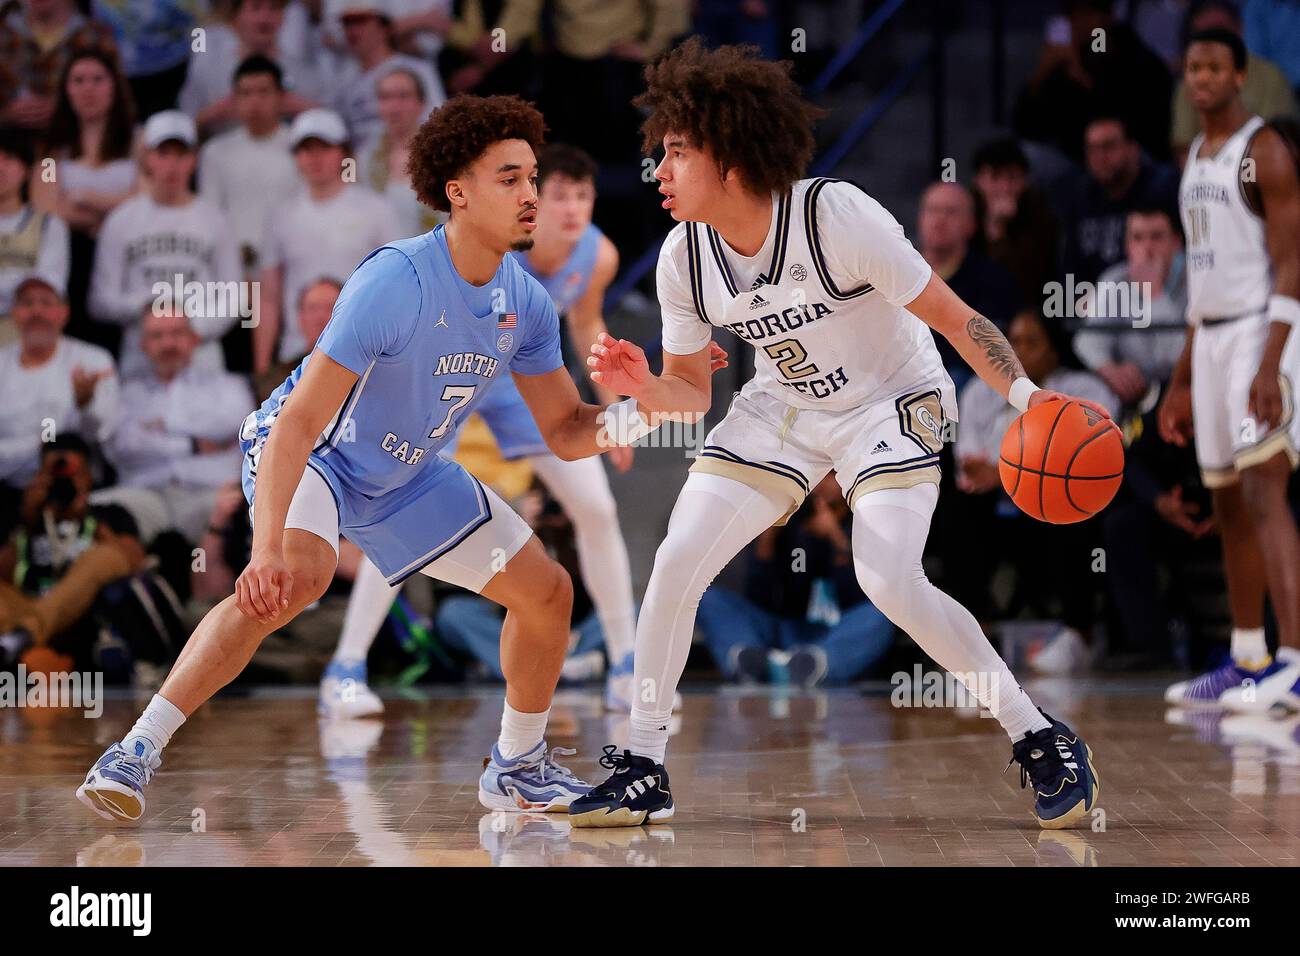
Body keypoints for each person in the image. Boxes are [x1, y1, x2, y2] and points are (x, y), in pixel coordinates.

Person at [74, 94, 660, 824]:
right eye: (510, 178)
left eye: (533, 176)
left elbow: (568, 429)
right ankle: (134, 750)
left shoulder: (528, 304)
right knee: (295, 579)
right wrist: (262, 552)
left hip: (405, 475)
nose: (532, 194)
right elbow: (298, 422)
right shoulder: (396, 279)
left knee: (546, 592)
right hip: (313, 450)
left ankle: (517, 765)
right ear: (459, 191)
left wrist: (643, 408)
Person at [571, 40, 1107, 830]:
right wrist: (643, 388)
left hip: (891, 399)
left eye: (678, 153)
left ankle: (1037, 733)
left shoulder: (837, 216)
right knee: (676, 558)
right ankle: (644, 764)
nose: (660, 171)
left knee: (887, 576)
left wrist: (1027, 396)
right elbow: (689, 393)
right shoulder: (685, 256)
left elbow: (956, 319)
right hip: (784, 407)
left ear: (732, 156)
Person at [318, 143, 716, 717]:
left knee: (597, 509)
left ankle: (627, 666)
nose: (571, 208)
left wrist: (616, 413)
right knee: (398, 520)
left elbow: (587, 327)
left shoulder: (596, 255)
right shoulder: (499, 241)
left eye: (583, 196)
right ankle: (346, 666)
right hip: (450, 373)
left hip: (522, 386)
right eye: (558, 194)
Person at [1160, 27, 1300, 710]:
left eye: (1215, 67)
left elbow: (1294, 262)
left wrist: (1271, 361)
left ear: (1240, 75)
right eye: (1193, 68)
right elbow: (1202, 281)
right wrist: (1183, 378)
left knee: (1265, 491)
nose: (1203, 78)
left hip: (1259, 332)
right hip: (1210, 336)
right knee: (1226, 501)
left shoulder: (1263, 149)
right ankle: (1249, 657)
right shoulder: (1194, 154)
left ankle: (1296, 664)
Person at [696, 474, 895, 687]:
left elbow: (859, 597)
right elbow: (761, 598)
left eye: (831, 477)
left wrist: (837, 541)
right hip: (785, 628)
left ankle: (817, 664)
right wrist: (767, 539)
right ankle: (749, 662)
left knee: (882, 613)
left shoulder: (865, 521)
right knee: (709, 599)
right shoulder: (790, 521)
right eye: (819, 476)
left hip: (837, 631)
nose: (822, 485)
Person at [89, 110, 241, 379]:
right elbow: (100, 300)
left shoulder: (216, 220)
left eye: (180, 154)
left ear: (193, 159)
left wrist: (193, 331)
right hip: (140, 350)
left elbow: (234, 296)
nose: (172, 165)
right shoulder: (121, 220)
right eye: (163, 154)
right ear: (148, 158)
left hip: (201, 351)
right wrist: (144, 309)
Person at [255, 107, 398, 374]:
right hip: (297, 352)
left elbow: (393, 286)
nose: (315, 158)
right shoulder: (279, 216)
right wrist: (263, 368)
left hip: (362, 348)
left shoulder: (376, 209)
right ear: (296, 157)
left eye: (325, 147)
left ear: (344, 152)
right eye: (306, 149)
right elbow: (268, 297)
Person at [101, 306, 254, 544]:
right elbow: (122, 446)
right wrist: (191, 444)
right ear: (143, 345)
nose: (168, 344)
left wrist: (160, 426)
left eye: (177, 333)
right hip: (147, 496)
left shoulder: (227, 386)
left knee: (247, 515)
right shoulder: (127, 394)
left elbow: (237, 423)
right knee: (96, 514)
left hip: (211, 495)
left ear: (195, 339)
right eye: (157, 336)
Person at [28, 46, 138, 351]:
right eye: (78, 80)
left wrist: (83, 197)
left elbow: (147, 198)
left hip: (126, 258)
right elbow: (47, 210)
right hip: (73, 261)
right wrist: (112, 208)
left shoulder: (138, 140)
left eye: (97, 79)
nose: (88, 88)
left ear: (114, 86)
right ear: (66, 90)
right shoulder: (52, 149)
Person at [0, 275, 116, 497]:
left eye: (46, 303)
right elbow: (51, 437)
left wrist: (85, 405)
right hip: (6, 486)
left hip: (73, 489)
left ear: (65, 312)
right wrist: (37, 444)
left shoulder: (93, 360)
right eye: (27, 303)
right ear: (14, 313)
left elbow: (102, 435)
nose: (37, 312)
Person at [1072, 204, 1189, 411]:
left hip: (1179, 389)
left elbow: (1181, 356)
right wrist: (1108, 368)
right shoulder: (1114, 280)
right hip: (1130, 397)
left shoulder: (1193, 281)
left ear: (1176, 242)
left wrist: (1155, 294)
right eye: (1138, 238)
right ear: (1127, 246)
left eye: (1157, 237)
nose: (1147, 248)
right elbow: (1087, 340)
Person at [197, 55, 301, 278]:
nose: (255, 102)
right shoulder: (214, 152)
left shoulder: (301, 147)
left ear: (281, 97)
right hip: (232, 268)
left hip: (291, 263)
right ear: (234, 100)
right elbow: (210, 216)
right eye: (246, 93)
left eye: (263, 92)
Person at [916, 181, 1021, 391]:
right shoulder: (900, 270)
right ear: (920, 219)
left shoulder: (993, 280)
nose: (939, 220)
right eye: (932, 210)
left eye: (950, 212)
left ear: (971, 224)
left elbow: (991, 349)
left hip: (963, 382)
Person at [1054, 113, 1179, 285]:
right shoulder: (1079, 196)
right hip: (1092, 303)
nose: (1100, 157)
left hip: (1154, 297)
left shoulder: (1163, 190)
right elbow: (1069, 269)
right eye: (1092, 149)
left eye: (1108, 147)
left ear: (1133, 149)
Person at [1169, 0, 1298, 162]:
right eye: (1204, 33)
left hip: (1262, 174)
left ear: (1239, 29)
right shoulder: (1188, 81)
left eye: (1220, 31)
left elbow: (1282, 144)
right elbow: (1183, 148)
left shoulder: (1271, 76)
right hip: (1206, 178)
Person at [179, 0, 319, 138]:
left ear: (282, 17)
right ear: (234, 19)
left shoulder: (305, 73)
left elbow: (332, 128)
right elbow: (182, 132)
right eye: (255, 8)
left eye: (273, 8)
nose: (264, 18)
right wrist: (209, 116)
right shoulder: (207, 74)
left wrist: (308, 111)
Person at [970, 138, 1060, 308]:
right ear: (978, 181)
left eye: (1012, 178)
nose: (1005, 187)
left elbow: (1027, 286)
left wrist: (998, 231)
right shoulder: (964, 216)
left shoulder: (1042, 220)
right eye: (995, 177)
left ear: (1025, 181)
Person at [0, 0, 117, 131]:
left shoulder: (96, 38)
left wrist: (66, 111)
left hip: (71, 145)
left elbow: (119, 106)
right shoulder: (4, 35)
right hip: (8, 145)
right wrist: (6, 114)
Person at [0, 130, 69, 328]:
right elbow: (30, 290)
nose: (1, 167)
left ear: (26, 170)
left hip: (30, 344)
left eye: (9, 158)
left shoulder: (50, 226)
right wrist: (22, 281)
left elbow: (47, 292)